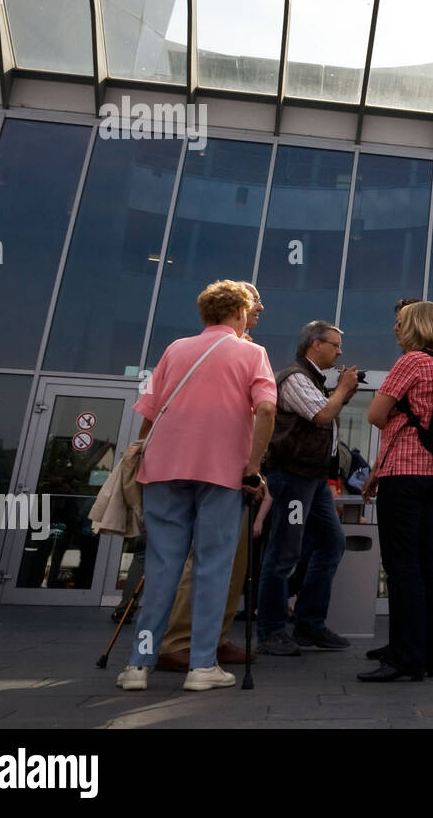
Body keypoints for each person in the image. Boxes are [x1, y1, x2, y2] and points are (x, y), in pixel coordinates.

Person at [117, 280, 277, 692]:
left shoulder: (175, 349)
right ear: (240, 312)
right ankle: (202, 665)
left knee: (162, 566)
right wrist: (254, 465)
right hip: (222, 471)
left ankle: (138, 664)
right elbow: (266, 408)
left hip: (164, 468)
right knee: (212, 567)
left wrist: (142, 455)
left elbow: (150, 412)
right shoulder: (252, 352)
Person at [157, 283, 266, 671]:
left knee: (232, 558)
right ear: (237, 309)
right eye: (254, 305)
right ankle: (180, 641)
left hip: (227, 467)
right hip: (209, 468)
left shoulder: (244, 350)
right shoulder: (214, 349)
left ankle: (212, 638)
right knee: (204, 558)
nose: (260, 310)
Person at [358, 300, 433, 682]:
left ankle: (405, 656)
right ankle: (431, 654)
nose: (395, 330)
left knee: (401, 567)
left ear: (416, 327)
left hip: (405, 473)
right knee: (427, 563)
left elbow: (374, 414)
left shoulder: (412, 361)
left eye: (400, 324)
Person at [256, 320, 357, 655]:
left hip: (311, 479)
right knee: (285, 551)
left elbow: (322, 415)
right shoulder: (296, 377)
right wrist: (342, 390)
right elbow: (321, 416)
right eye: (335, 344)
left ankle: (309, 624)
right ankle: (271, 630)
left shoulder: (310, 379)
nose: (340, 351)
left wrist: (342, 392)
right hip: (295, 478)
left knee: (331, 543)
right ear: (316, 344)